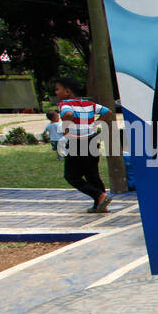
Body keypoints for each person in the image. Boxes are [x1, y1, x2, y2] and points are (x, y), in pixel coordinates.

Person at [54, 76, 111, 212]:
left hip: (77, 143)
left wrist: (66, 127)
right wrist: (95, 124)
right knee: (92, 174)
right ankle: (99, 205)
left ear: (67, 91)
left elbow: (68, 114)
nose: (56, 92)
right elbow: (107, 111)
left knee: (71, 176)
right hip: (92, 140)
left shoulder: (65, 104)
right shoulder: (88, 104)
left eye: (57, 89)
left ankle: (99, 195)